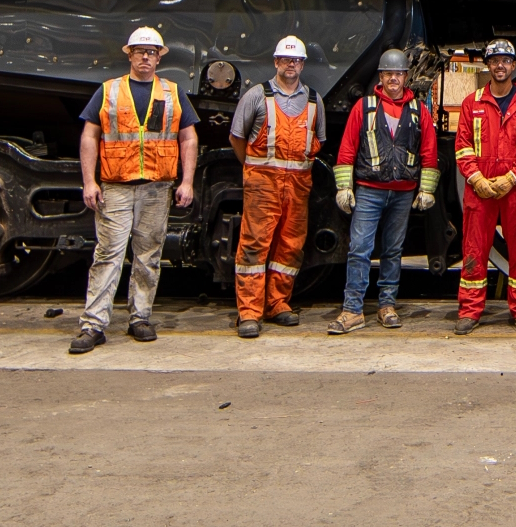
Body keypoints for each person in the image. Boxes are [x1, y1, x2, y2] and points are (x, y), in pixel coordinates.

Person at [70, 27, 198, 354]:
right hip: (116, 186)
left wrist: (186, 181)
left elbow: (188, 138)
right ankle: (93, 325)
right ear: (129, 54)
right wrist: (89, 181)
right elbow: (89, 136)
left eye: (152, 51)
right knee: (108, 254)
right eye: (140, 51)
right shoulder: (109, 91)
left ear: (159, 56)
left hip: (157, 187)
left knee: (148, 255)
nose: (146, 56)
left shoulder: (172, 92)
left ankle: (139, 317)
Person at [328, 50, 439, 335]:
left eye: (399, 73)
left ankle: (386, 306)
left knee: (393, 251)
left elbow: (429, 151)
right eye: (389, 74)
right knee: (359, 250)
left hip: (403, 192)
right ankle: (352, 310)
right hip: (369, 191)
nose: (394, 78)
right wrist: (344, 187)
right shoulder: (364, 107)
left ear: (405, 77)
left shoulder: (418, 111)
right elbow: (347, 149)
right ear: (381, 77)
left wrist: (426, 189)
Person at [228, 35, 326, 339]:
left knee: (290, 245)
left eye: (296, 60)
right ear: (276, 62)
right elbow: (236, 138)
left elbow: (318, 141)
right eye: (286, 60)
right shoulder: (257, 96)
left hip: (297, 187)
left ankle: (278, 303)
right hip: (263, 185)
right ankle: (249, 312)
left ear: (302, 64)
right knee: (255, 245)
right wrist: (254, 169)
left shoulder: (313, 100)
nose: (291, 65)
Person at [455, 39, 516, 334]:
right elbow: (463, 147)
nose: (500, 65)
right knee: (473, 251)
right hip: (480, 190)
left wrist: (511, 179)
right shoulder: (472, 103)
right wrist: (477, 179)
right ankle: (469, 311)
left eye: (505, 60)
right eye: (495, 60)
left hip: (515, 190)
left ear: (513, 65)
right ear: (488, 65)